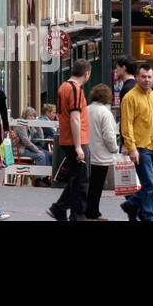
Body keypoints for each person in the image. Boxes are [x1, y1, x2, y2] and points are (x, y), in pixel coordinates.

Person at [47, 58, 91, 221]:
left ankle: (61, 208)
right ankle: (75, 214)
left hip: (67, 138)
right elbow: (75, 118)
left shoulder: (63, 87)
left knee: (76, 178)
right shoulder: (75, 90)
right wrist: (79, 146)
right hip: (76, 140)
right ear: (86, 74)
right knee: (81, 181)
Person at [119, 63, 153, 221]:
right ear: (137, 77)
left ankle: (131, 204)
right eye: (143, 77)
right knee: (149, 185)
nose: (146, 80)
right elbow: (126, 125)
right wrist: (132, 148)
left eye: (149, 77)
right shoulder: (130, 98)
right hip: (141, 147)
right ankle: (148, 217)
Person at [84, 83, 117, 220]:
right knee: (97, 186)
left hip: (87, 152)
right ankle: (93, 211)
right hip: (101, 155)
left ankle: (87, 209)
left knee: (89, 184)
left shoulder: (86, 109)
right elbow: (109, 135)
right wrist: (114, 148)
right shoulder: (105, 113)